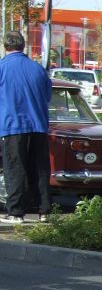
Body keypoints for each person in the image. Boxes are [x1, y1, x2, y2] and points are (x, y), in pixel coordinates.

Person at [0, 31, 52, 224]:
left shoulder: (2, 68)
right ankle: (44, 210)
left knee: (15, 167)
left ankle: (15, 212)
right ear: (23, 46)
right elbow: (47, 97)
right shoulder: (38, 69)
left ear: (6, 46)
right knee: (40, 168)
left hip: (12, 126)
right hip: (38, 125)